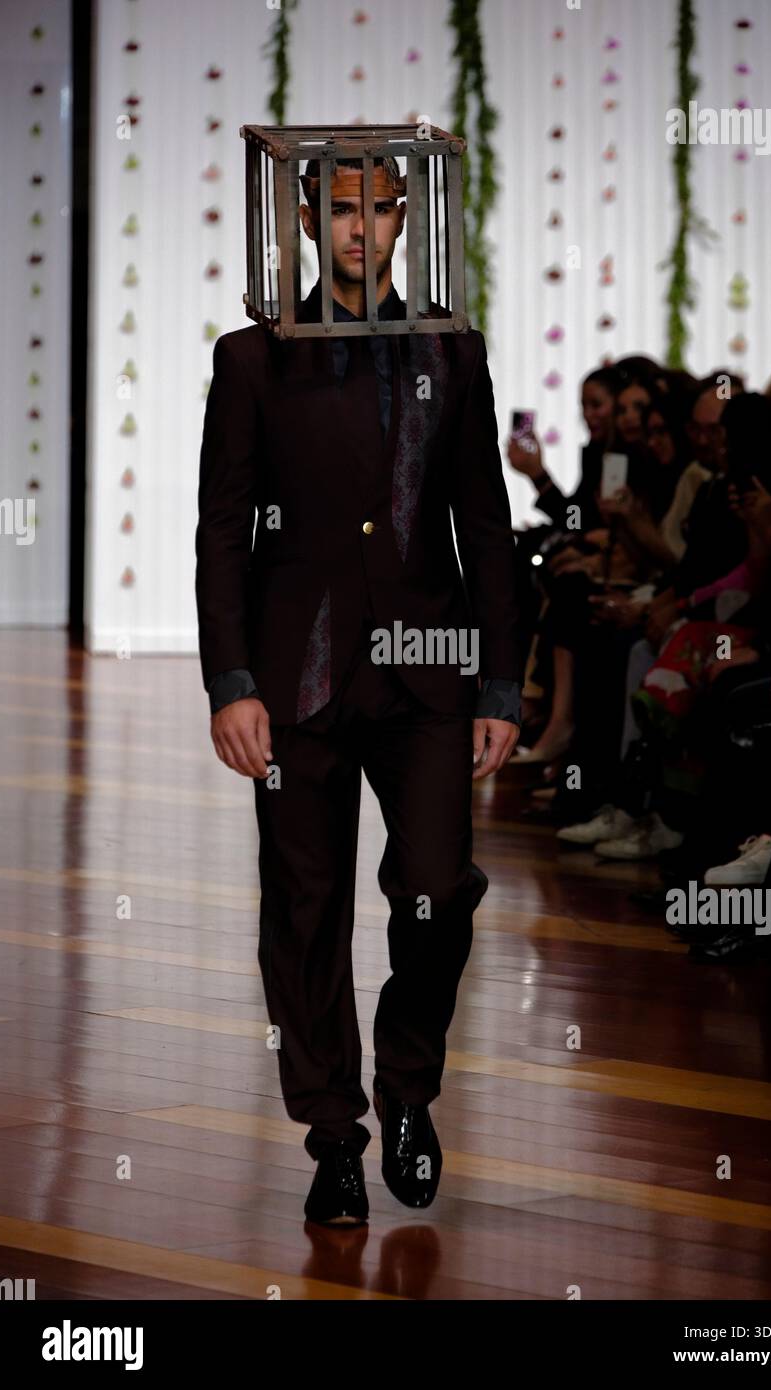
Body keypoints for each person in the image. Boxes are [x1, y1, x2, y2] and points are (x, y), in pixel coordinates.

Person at [195, 148, 526, 1226]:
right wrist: (232, 679)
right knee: (304, 911)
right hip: (297, 679)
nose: (359, 228)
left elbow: (485, 522)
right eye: (340, 209)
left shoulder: (452, 349)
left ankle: (409, 1089)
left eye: (379, 208)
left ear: (404, 217)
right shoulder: (252, 358)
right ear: (303, 217)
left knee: (438, 888)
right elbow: (223, 533)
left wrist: (500, 682)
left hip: (429, 671)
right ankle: (333, 1135)